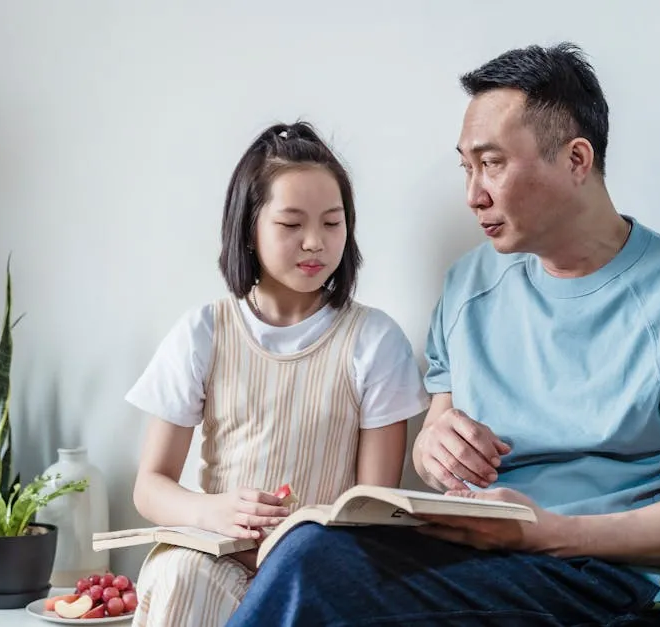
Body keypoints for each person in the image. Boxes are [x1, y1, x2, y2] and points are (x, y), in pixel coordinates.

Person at [225, 43, 660, 626]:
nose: (473, 194)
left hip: (607, 583)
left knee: (315, 565)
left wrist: (550, 533)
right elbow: (442, 429)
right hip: (473, 560)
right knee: (305, 542)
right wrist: (434, 446)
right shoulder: (468, 286)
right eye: (467, 166)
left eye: (492, 164)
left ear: (576, 159)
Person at [123, 121, 430, 627]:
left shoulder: (374, 340)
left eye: (332, 223)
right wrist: (213, 512)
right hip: (211, 558)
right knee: (182, 579)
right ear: (249, 227)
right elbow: (149, 487)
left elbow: (373, 514)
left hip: (317, 567)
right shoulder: (204, 332)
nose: (315, 242)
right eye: (291, 224)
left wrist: (292, 550)